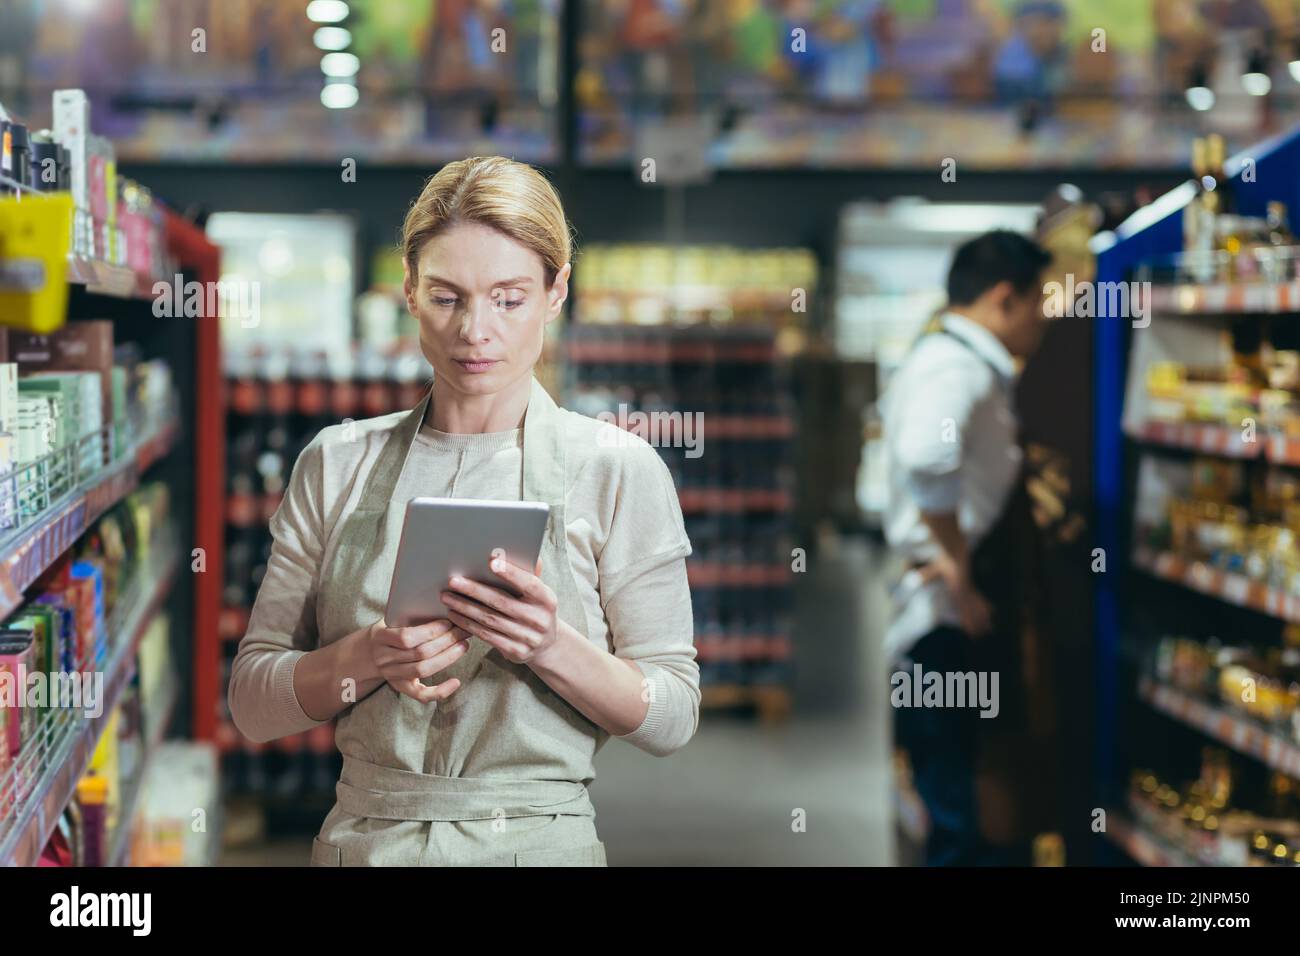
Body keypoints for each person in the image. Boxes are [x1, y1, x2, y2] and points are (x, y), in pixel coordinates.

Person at [228, 156, 700, 867]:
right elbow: (253, 704)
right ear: (410, 293)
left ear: (555, 291)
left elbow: (672, 715)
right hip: (367, 839)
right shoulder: (337, 462)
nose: (476, 330)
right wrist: (364, 658)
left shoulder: (616, 469)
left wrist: (550, 645)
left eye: (508, 299)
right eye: (448, 297)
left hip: (542, 842)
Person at [880, 229, 1052, 866]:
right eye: (1038, 302)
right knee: (960, 813)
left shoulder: (944, 357)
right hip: (947, 622)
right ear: (1004, 299)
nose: (1043, 320)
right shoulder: (957, 366)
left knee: (955, 797)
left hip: (941, 615)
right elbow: (928, 457)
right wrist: (957, 569)